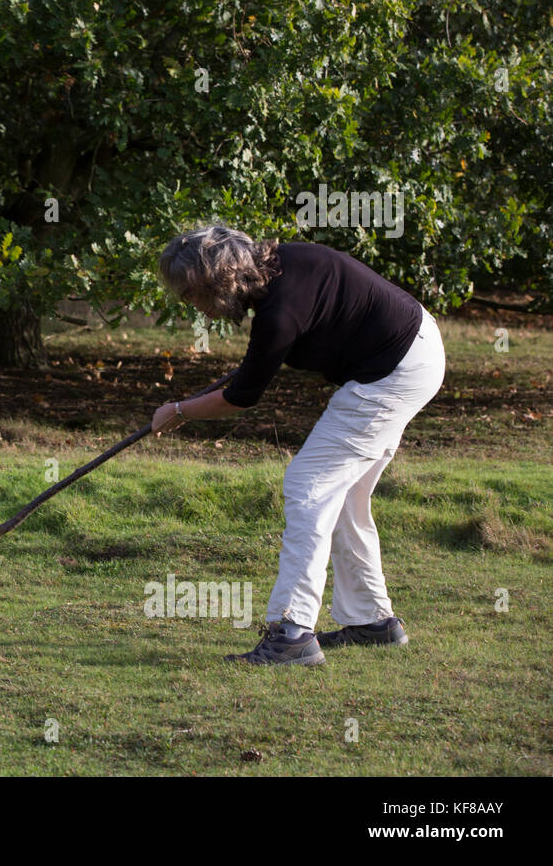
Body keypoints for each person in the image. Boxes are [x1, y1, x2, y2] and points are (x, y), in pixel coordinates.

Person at [152, 224, 446, 666]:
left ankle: (292, 634)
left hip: (391, 373)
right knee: (344, 495)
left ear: (218, 280)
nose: (188, 303)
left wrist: (179, 410)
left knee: (307, 487)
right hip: (417, 350)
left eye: (190, 292)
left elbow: (242, 397)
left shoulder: (277, 315)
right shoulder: (286, 265)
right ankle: (372, 621)